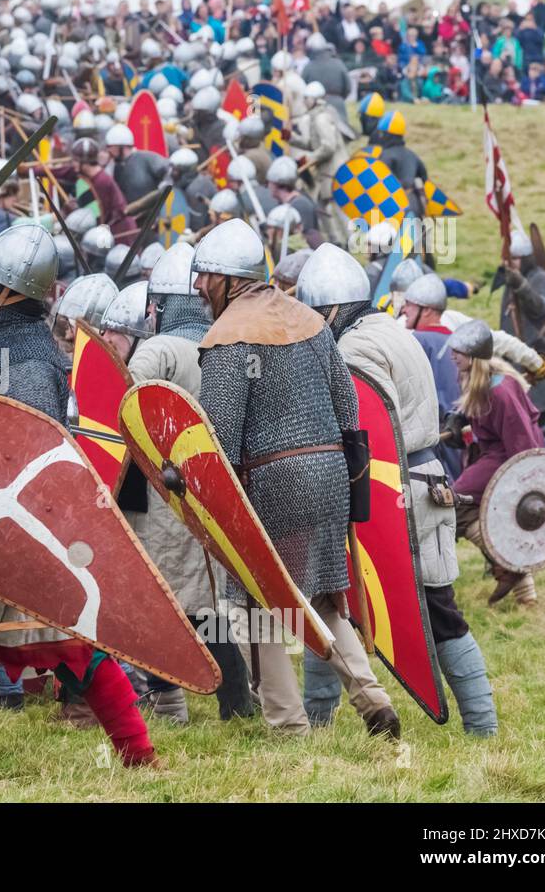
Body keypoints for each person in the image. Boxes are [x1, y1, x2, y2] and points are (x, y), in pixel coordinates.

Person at [0, 224, 160, 769]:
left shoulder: (32, 361)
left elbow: (25, 448)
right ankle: (135, 753)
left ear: (10, 289)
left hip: (17, 526)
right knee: (67, 642)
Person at [190, 221, 400, 738]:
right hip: (328, 473)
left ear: (227, 279)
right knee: (325, 597)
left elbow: (220, 436)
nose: (197, 288)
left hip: (271, 481)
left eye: (204, 277)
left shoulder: (226, 338)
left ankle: (287, 725)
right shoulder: (310, 321)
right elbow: (348, 406)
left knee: (265, 600)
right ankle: (373, 700)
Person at [295, 245, 497, 736]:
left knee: (367, 601)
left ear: (333, 310)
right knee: (336, 596)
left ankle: (483, 726)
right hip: (420, 481)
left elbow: (361, 434)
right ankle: (319, 716)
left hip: (389, 490)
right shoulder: (389, 329)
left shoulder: (355, 349)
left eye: (317, 315)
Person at [123, 247, 254, 723]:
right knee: (204, 603)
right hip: (214, 492)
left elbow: (123, 416)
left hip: (164, 497)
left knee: (164, 599)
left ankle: (170, 704)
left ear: (161, 304)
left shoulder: (158, 350)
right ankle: (237, 702)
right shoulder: (222, 345)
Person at [445, 320, 545, 607]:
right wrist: (459, 419)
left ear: (475, 357)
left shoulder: (502, 390)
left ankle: (510, 565)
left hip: (508, 459)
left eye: (459, 353)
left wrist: (515, 489)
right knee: (467, 509)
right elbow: (474, 410)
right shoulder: (472, 378)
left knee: (456, 502)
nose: (453, 356)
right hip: (491, 455)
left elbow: (523, 446)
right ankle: (525, 591)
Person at [497, 229, 545, 450]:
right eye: (511, 258)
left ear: (526, 257)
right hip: (521, 358)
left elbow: (540, 306)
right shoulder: (512, 281)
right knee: (525, 416)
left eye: (517, 258)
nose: (513, 263)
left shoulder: (541, 279)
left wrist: (521, 285)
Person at [289, 81, 352, 244]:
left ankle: (348, 242)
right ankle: (336, 240)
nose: (304, 102)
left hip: (333, 171)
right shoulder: (316, 116)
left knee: (338, 208)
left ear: (314, 99)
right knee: (323, 207)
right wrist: (290, 138)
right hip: (327, 172)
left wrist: (311, 159)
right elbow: (313, 144)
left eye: (307, 99)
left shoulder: (321, 118)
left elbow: (328, 147)